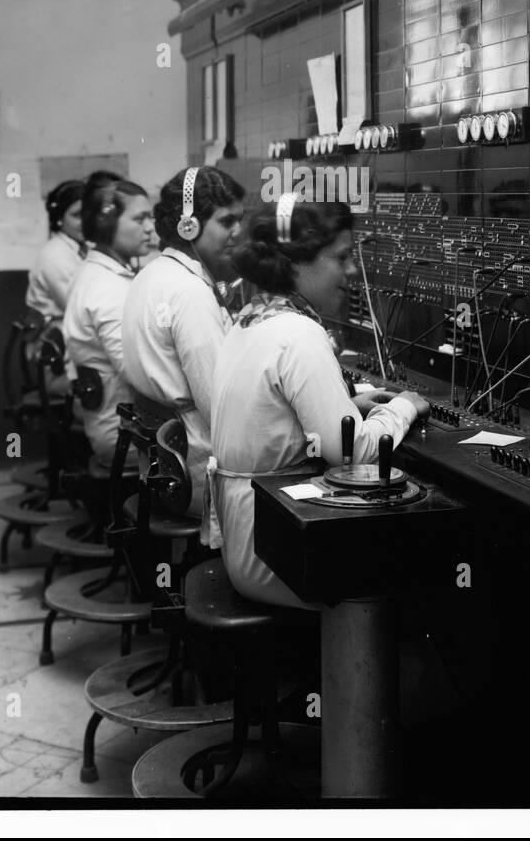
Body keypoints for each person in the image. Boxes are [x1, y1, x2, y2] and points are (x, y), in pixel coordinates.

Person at [208, 196, 430, 608]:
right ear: (296, 261)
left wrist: (350, 406)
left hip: (254, 537)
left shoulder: (252, 318)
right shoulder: (298, 333)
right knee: (426, 575)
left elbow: (283, 420)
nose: (350, 273)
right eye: (342, 257)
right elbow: (355, 451)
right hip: (275, 555)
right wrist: (405, 406)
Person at [122, 166, 245, 523]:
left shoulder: (151, 275)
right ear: (188, 225)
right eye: (227, 221)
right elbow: (220, 410)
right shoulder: (189, 293)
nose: (239, 232)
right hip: (198, 476)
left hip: (164, 472)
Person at [62, 178, 153, 465]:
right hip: (122, 435)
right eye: (140, 219)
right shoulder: (107, 289)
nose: (150, 227)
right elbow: (137, 374)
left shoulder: (101, 273)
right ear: (107, 224)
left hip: (113, 423)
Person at [25, 180, 84, 323]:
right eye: (76, 215)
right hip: (55, 335)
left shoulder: (81, 247)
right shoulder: (55, 255)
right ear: (59, 218)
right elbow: (78, 307)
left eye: (88, 214)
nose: (84, 221)